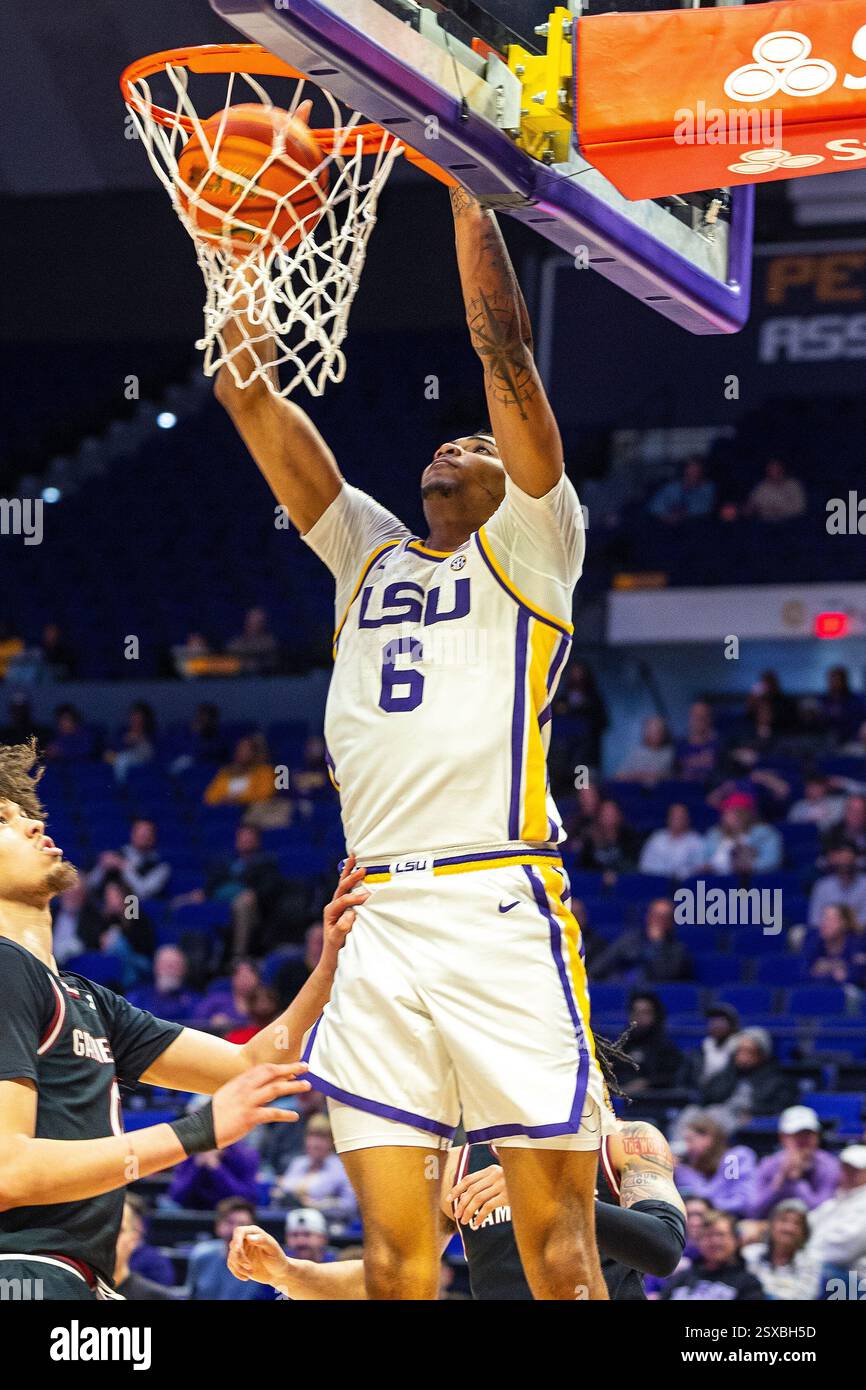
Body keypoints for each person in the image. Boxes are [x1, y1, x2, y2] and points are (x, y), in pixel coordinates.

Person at [216, 179, 607, 1302]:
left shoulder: (534, 548)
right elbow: (249, 398)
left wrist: (461, 188)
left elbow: (505, 356)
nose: (454, 440)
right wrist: (237, 251)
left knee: (558, 1256)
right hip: (379, 919)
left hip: (497, 905)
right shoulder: (367, 556)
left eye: (476, 440)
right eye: (447, 436)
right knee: (396, 1262)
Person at [0, 739, 359, 1300]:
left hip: (72, 1274)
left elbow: (249, 1062)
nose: (29, 823)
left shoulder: (85, 997)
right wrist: (198, 1131)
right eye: (4, 819)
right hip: (21, 1269)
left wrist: (333, 961)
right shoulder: (4, 970)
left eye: (27, 813)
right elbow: (8, 1170)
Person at [228, 1114, 686, 1302]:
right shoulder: (458, 1163)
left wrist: (543, 1196)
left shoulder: (624, 1141)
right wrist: (288, 1273)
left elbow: (664, 1248)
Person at [748, 1106, 841, 1219]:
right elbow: (753, 1211)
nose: (803, 1140)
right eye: (797, 1135)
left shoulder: (830, 1166)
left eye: (808, 1134)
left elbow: (823, 1213)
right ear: (783, 1137)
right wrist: (780, 1179)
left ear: (817, 1136)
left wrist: (796, 1182)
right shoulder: (769, 1164)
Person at [699, 1027, 799, 1127]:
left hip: (752, 1125)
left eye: (749, 1051)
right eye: (739, 1051)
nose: (743, 1056)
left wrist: (753, 1113)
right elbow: (708, 1097)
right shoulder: (727, 1074)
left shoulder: (779, 1081)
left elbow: (780, 1108)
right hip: (717, 1117)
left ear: (762, 1054)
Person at [660, 1210, 764, 1300]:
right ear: (699, 1242)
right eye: (708, 1235)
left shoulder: (749, 1284)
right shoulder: (682, 1277)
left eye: (720, 1235)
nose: (714, 1241)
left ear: (736, 1239)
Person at [187, 1197, 277, 1300]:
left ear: (254, 1229)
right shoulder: (201, 1256)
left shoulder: (263, 1262)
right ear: (218, 1226)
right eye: (230, 1222)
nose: (235, 1229)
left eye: (242, 1224)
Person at [275, 1113, 358, 1224]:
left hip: (330, 1225)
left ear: (332, 1141)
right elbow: (281, 1191)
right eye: (311, 1136)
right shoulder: (298, 1163)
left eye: (322, 1138)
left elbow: (349, 1205)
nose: (315, 1143)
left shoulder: (342, 1168)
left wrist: (319, 1205)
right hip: (292, 1222)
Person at [805, 1145, 866, 1289]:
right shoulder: (835, 1202)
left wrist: (800, 1255)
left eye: (855, 1170)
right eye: (846, 1168)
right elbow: (804, 1224)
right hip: (826, 1266)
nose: (848, 1174)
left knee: (809, 1273)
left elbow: (843, 1250)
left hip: (853, 1278)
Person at [592, 901, 694, 985]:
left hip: (655, 997)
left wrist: (656, 944)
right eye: (656, 915)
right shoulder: (628, 940)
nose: (659, 920)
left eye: (665, 917)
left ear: (671, 922)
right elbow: (598, 968)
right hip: (623, 990)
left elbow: (664, 976)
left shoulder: (678, 949)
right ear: (648, 917)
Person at [674, 1113, 757, 1214]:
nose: (688, 1147)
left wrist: (684, 1173)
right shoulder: (691, 1167)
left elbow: (740, 1202)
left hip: (736, 1220)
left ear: (708, 1138)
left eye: (690, 1140)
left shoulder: (734, 1158)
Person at [741, 1199, 816, 1300]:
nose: (788, 1228)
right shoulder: (750, 1254)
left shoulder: (810, 1264)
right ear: (771, 1225)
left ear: (804, 1233)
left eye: (797, 1224)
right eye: (783, 1220)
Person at [613, 992, 684, 1095]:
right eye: (635, 1012)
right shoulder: (619, 1046)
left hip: (655, 1102)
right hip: (621, 1099)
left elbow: (671, 1076)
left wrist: (646, 1084)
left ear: (655, 1016)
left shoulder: (667, 1047)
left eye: (645, 1012)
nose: (639, 1017)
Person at [87, 817, 172, 902]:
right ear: (132, 834)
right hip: (105, 910)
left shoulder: (161, 867)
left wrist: (124, 867)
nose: (142, 835)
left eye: (146, 833)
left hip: (136, 911)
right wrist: (101, 868)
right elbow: (89, 886)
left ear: (153, 837)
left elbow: (143, 893)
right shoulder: (117, 854)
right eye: (139, 831)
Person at [702, 792, 782, 875]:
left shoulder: (763, 833)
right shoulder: (715, 833)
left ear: (746, 814)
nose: (730, 817)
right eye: (727, 813)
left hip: (749, 878)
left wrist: (750, 866)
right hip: (715, 877)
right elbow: (704, 858)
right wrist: (707, 866)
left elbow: (772, 860)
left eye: (736, 813)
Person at [113, 1197, 176, 1301]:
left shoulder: (160, 1297)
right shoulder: (77, 1291)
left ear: (134, 1238)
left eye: (119, 1230)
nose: (108, 1237)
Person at [127, 945, 200, 1024]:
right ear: (156, 967)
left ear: (184, 969)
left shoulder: (194, 1001)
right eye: (166, 964)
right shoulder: (138, 997)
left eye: (175, 965)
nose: (170, 969)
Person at [801, 904, 866, 989]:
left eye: (830, 919)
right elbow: (803, 974)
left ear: (843, 923)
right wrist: (835, 971)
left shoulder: (857, 942)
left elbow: (858, 975)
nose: (824, 923)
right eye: (823, 918)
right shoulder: (814, 940)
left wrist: (827, 969)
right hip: (819, 990)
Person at [203, 734, 276, 808]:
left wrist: (239, 799)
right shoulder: (226, 772)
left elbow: (265, 794)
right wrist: (223, 799)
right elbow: (210, 796)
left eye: (247, 750)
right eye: (240, 749)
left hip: (251, 811)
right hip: (224, 810)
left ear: (255, 752)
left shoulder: (265, 771)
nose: (242, 752)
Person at [679, 1004, 740, 1090]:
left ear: (732, 1024)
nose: (716, 1025)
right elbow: (682, 1080)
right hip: (698, 1098)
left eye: (721, 1020)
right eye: (713, 1021)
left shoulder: (741, 1051)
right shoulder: (697, 1052)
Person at [638, 803, 705, 881]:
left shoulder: (696, 840)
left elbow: (700, 868)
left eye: (681, 817)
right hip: (656, 884)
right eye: (674, 816)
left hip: (685, 887)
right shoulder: (656, 838)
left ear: (687, 819)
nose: (677, 820)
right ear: (668, 818)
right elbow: (645, 866)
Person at [808, 843, 866, 928]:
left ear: (856, 860)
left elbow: (864, 921)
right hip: (829, 933)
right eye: (842, 860)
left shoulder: (864, 884)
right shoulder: (822, 885)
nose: (845, 862)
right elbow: (815, 920)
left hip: (860, 934)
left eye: (848, 860)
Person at [647, 457, 716, 525]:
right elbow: (655, 505)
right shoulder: (672, 487)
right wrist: (666, 516)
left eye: (696, 469)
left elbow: (704, 508)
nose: (692, 472)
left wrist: (682, 514)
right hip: (667, 524)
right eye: (690, 468)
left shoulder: (709, 488)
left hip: (695, 525)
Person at [615, 715, 674, 785]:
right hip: (635, 791)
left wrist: (656, 776)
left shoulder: (670, 753)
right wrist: (638, 776)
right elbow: (618, 776)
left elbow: (674, 776)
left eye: (658, 731)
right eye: (651, 731)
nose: (654, 734)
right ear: (646, 732)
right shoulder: (637, 752)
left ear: (663, 733)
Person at [744, 458, 806, 523]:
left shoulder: (794, 485)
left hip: (791, 522)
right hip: (766, 524)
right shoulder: (761, 487)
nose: (773, 470)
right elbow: (752, 504)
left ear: (782, 469)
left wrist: (780, 511)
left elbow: (801, 508)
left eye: (776, 467)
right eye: (771, 468)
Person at [227, 607, 281, 676]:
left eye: (259, 621)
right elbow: (230, 650)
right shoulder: (236, 641)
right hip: (238, 679)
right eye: (253, 620)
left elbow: (270, 657)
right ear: (247, 621)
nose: (256, 623)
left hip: (264, 678)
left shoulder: (269, 641)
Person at [675, 701, 720, 783]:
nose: (699, 719)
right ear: (690, 718)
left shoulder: (719, 744)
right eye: (695, 716)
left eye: (703, 716)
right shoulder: (679, 745)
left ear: (709, 718)